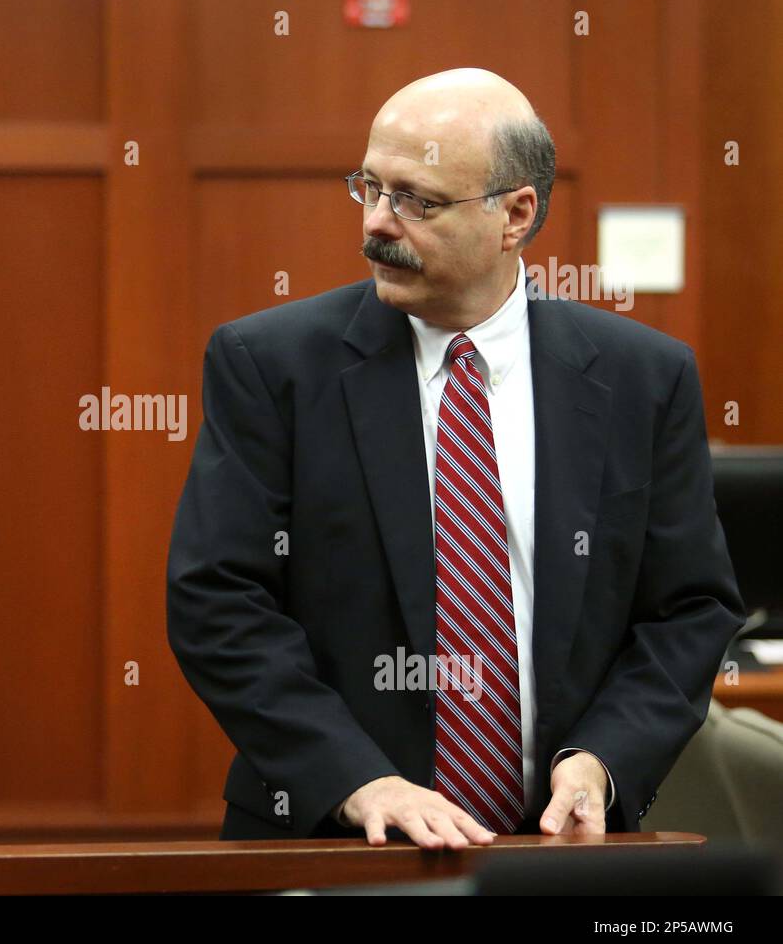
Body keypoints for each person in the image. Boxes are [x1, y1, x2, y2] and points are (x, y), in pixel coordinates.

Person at [166, 68, 744, 849]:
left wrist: (603, 761)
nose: (376, 224)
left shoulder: (643, 377)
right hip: (327, 843)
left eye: (417, 200)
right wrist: (355, 779)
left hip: (558, 850)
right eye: (368, 187)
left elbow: (690, 608)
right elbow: (216, 600)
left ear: (516, 214)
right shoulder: (272, 366)